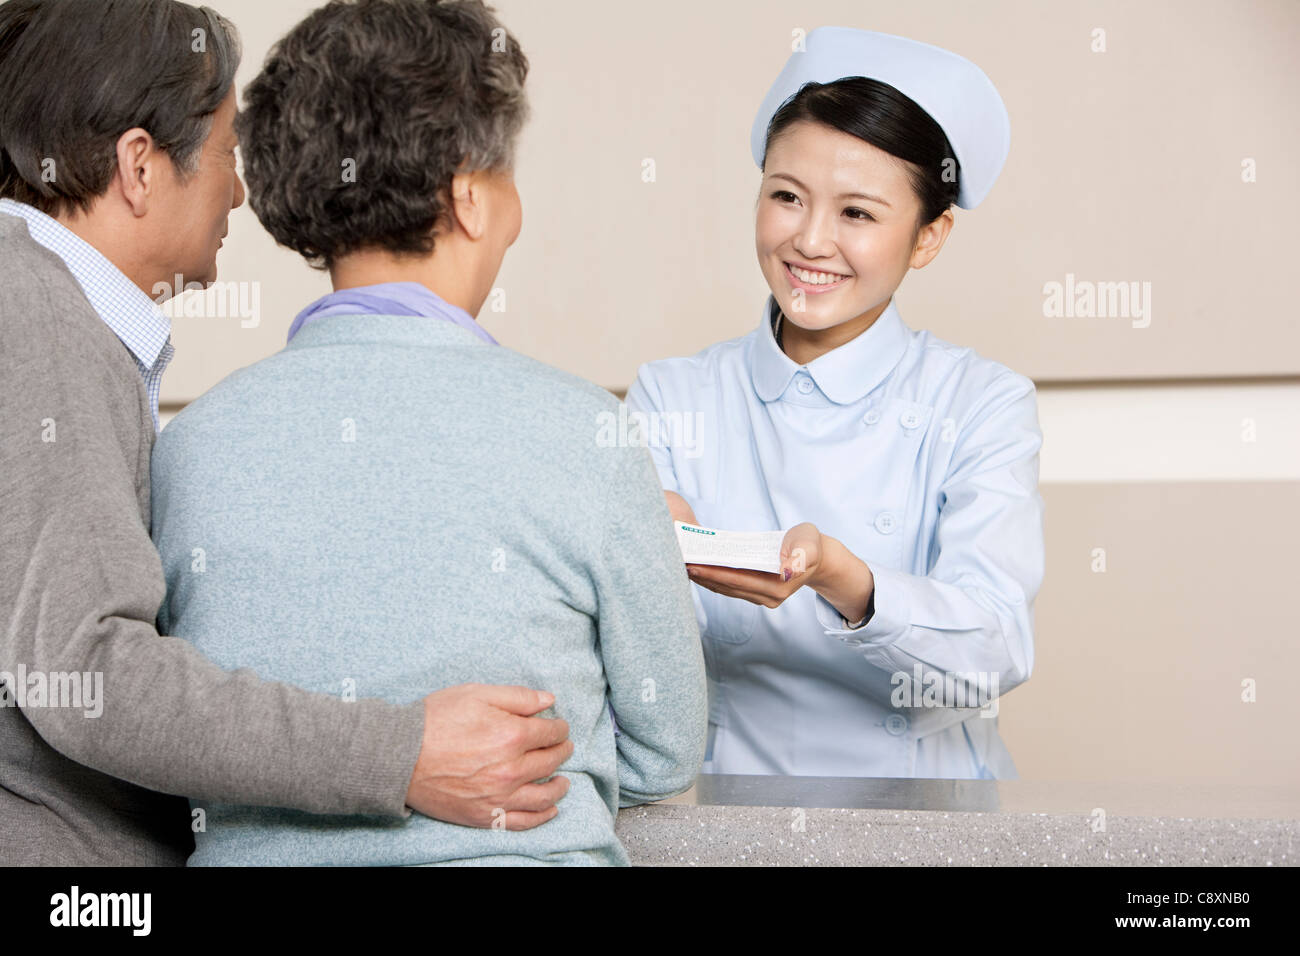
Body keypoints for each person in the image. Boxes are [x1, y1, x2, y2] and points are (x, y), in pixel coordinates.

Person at [0, 0, 572, 866]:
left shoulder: (43, 304)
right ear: (139, 167)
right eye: (227, 155)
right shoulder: (39, 314)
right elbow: (89, 674)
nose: (238, 189)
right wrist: (398, 753)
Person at [148, 0, 706, 866]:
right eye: (509, 177)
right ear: (471, 197)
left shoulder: (190, 445)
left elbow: (174, 739)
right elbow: (666, 751)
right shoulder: (585, 431)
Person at [627, 27, 1045, 779]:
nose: (811, 241)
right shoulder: (674, 395)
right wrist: (640, 561)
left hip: (931, 816)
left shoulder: (982, 401)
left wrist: (843, 579)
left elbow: (994, 650)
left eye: (857, 213)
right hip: (731, 809)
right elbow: (640, 655)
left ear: (928, 236)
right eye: (787, 197)